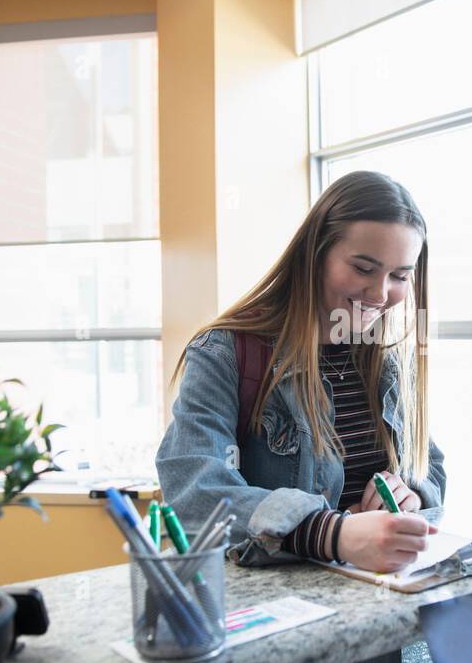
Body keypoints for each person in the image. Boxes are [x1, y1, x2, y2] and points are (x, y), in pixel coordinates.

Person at [156, 171, 444, 571]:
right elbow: (196, 491)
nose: (380, 294)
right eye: (363, 268)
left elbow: (431, 469)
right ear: (315, 254)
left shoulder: (390, 359)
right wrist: (332, 534)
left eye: (399, 276)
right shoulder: (224, 353)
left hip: (380, 589)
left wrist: (411, 495)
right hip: (274, 598)